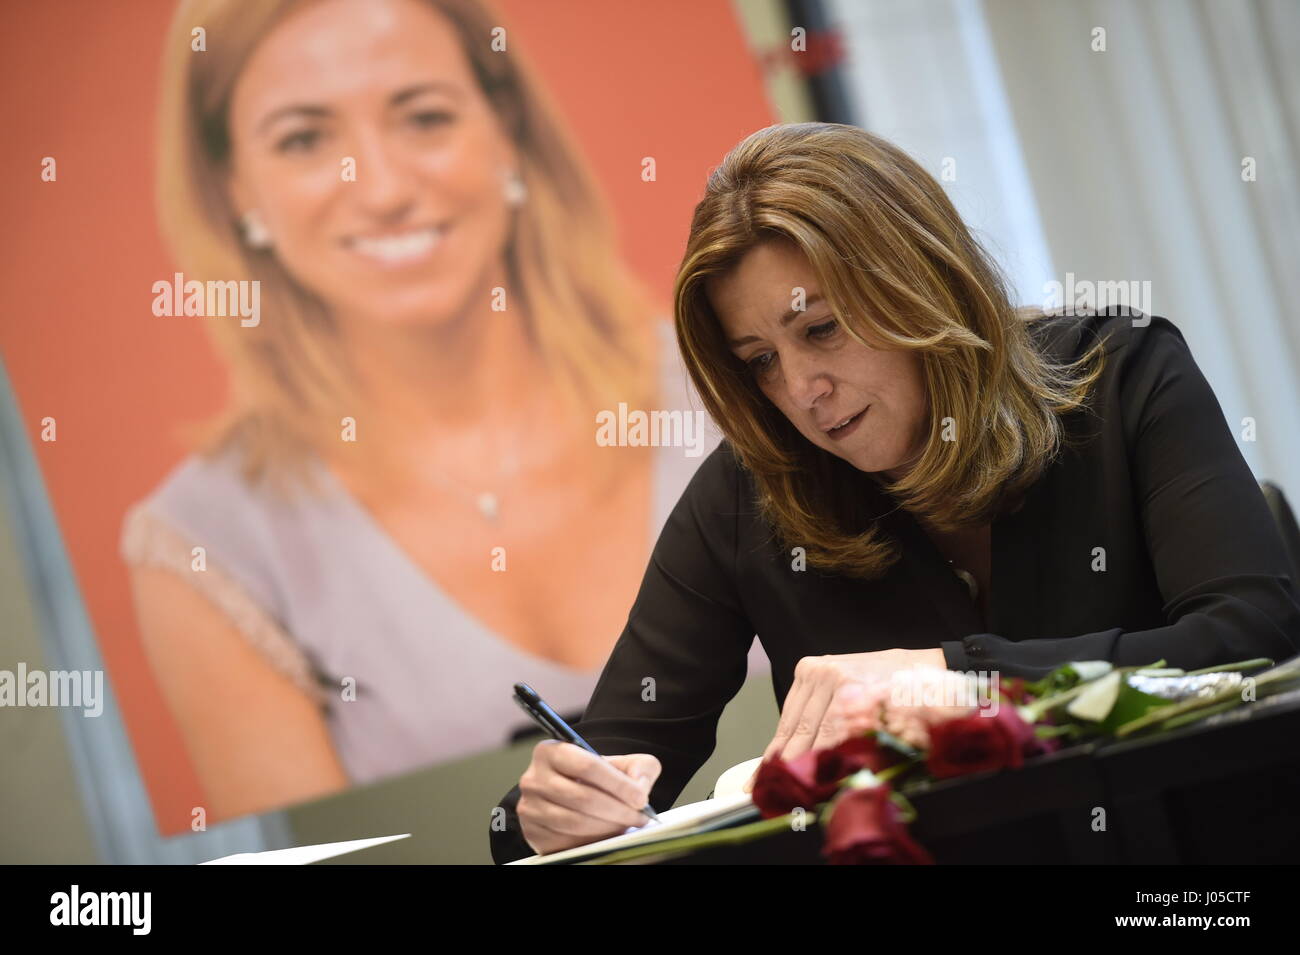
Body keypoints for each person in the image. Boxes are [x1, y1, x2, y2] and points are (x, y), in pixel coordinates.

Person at [488, 122, 1300, 863]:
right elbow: (608, 763)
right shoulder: (746, 497)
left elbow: (1256, 635)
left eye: (820, 329)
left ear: (918, 282)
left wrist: (956, 675)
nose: (801, 388)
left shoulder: (1118, 376)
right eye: (760, 360)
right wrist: (544, 811)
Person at [120, 0, 764, 824]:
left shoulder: (737, 371)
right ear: (237, 186)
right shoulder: (202, 547)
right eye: (305, 139)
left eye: (424, 117)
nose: (383, 189)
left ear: (507, 131)